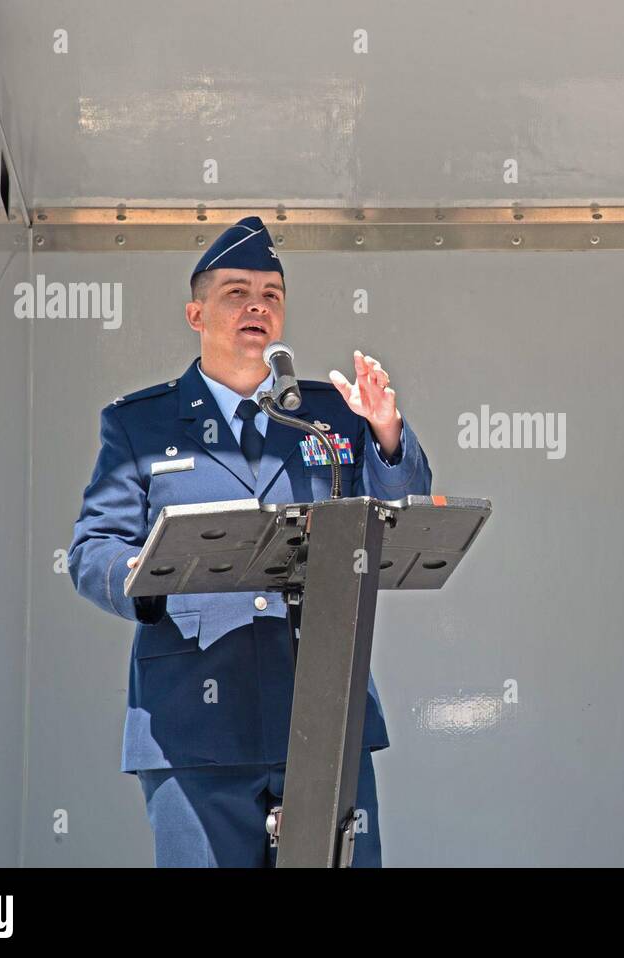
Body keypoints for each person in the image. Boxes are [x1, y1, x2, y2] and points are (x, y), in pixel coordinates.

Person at [68, 216, 431, 866]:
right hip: (194, 724)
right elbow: (93, 548)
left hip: (322, 710)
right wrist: (146, 575)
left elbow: (400, 510)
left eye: (272, 293)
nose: (257, 304)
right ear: (196, 312)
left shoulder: (329, 416)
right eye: (237, 291)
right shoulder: (140, 424)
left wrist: (386, 434)